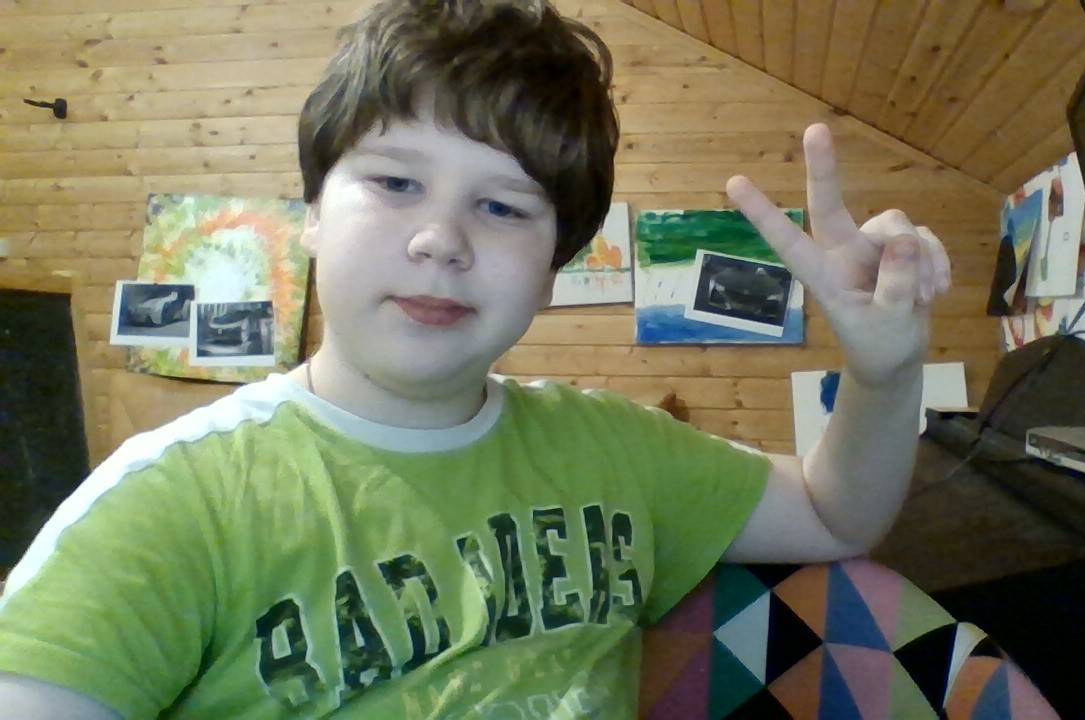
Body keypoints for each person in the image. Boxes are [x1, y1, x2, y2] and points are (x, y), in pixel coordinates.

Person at [0, 1, 950, 718]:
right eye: (395, 182)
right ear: (313, 215)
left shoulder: (616, 451)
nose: (441, 239)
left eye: (502, 206)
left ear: (552, 271)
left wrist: (883, 370)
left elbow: (836, 513)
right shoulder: (169, 506)